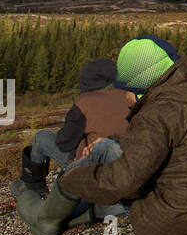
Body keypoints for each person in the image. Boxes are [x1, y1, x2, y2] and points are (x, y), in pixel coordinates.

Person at [23, 36, 187, 235]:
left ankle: (46, 218)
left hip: (167, 223)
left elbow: (124, 182)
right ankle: (59, 218)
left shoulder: (158, 112)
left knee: (114, 189)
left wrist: (71, 178)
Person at [15, 58, 135, 197]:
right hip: (127, 169)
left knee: (41, 137)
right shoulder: (130, 98)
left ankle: (33, 187)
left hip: (92, 169)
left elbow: (64, 143)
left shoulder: (85, 104)